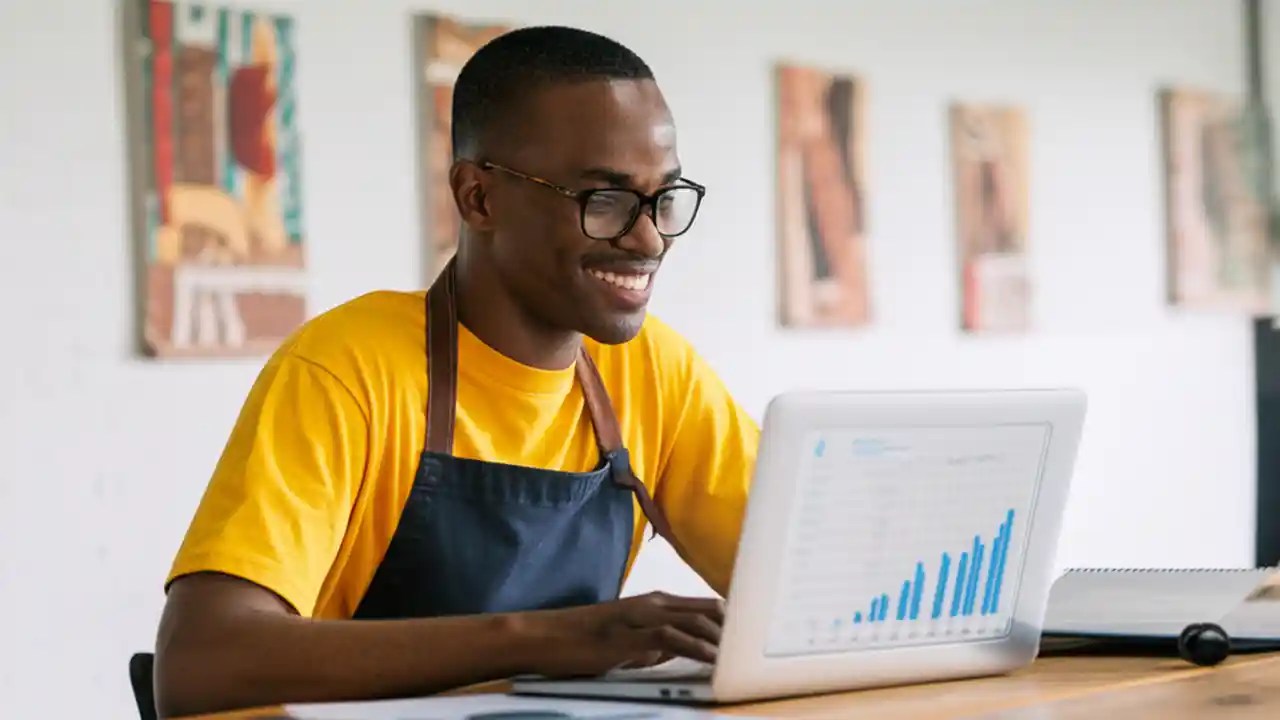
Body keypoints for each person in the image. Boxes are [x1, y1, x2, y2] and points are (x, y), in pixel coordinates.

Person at [153, 25, 760, 718]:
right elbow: (200, 662)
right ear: (478, 198)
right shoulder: (347, 367)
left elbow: (810, 601)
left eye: (663, 197)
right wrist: (545, 638)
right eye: (604, 198)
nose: (649, 237)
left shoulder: (654, 370)